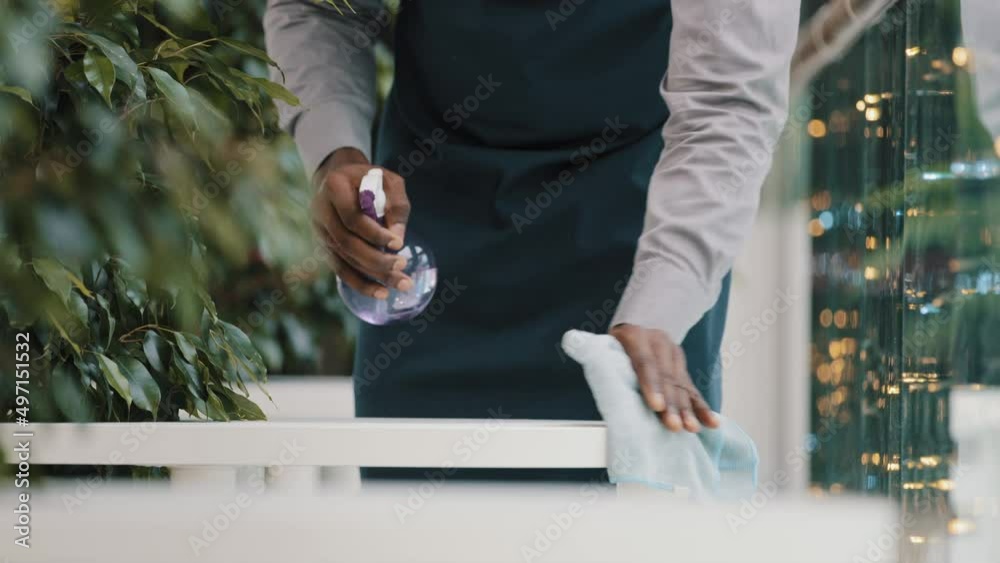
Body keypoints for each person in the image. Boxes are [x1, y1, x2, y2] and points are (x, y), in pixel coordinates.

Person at [264, 0, 799, 480]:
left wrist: (664, 298)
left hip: (640, 230)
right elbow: (323, 7)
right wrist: (336, 152)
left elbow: (729, 102)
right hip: (433, 229)